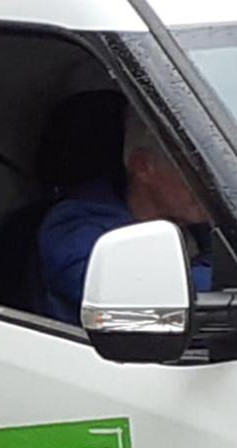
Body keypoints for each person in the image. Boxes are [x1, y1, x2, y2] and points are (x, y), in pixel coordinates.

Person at [36, 108, 214, 325]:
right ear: (143, 166)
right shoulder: (74, 232)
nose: (213, 186)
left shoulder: (202, 223)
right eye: (198, 172)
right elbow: (144, 295)